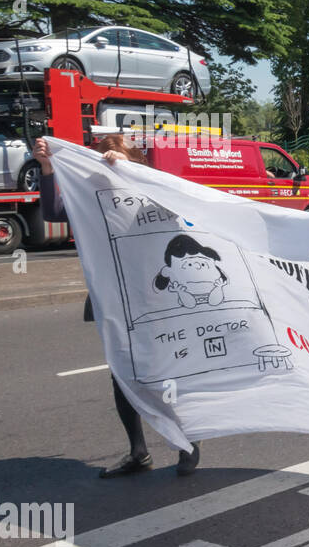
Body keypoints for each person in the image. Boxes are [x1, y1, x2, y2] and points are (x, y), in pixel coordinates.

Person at [33, 134, 203, 478]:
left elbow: (186, 209)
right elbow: (53, 210)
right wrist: (48, 167)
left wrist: (128, 171)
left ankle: (187, 443)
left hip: (154, 301)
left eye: (113, 158)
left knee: (161, 375)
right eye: (99, 160)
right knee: (122, 376)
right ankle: (138, 453)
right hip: (113, 301)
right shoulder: (91, 202)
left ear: (134, 162)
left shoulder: (150, 195)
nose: (106, 165)